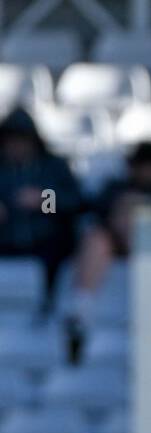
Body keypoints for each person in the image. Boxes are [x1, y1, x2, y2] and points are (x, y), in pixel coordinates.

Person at [66, 141, 151, 355]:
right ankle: (80, 311)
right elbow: (94, 214)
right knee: (95, 239)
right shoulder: (114, 189)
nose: (144, 172)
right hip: (115, 246)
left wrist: (146, 207)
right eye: (140, 166)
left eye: (150, 167)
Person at [0, 107, 82, 315]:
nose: (16, 146)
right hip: (6, 237)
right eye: (10, 140)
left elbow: (75, 202)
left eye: (21, 140)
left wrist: (43, 200)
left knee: (58, 248)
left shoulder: (54, 166)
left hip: (45, 239)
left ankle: (50, 307)